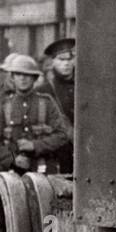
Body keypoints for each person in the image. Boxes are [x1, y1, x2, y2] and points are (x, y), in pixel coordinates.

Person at [0, 55, 71, 176]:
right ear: (12, 77)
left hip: (43, 169)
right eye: (18, 74)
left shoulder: (46, 102)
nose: (23, 79)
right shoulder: (5, 105)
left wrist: (35, 145)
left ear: (34, 78)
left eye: (27, 75)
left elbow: (62, 135)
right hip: (12, 171)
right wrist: (13, 158)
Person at [42, 38, 75, 173]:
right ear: (53, 62)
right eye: (61, 60)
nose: (66, 64)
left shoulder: (85, 86)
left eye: (69, 59)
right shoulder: (44, 90)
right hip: (56, 153)